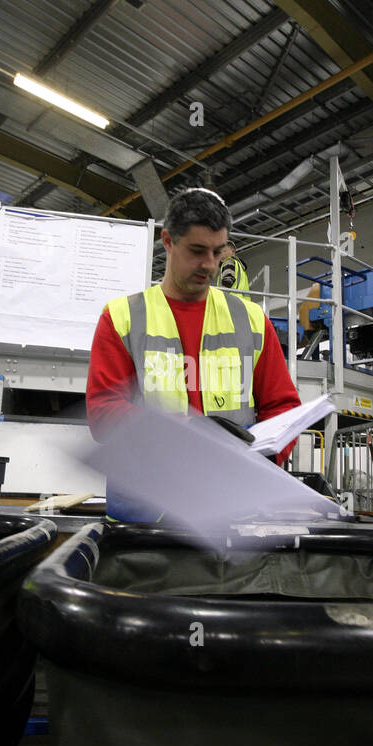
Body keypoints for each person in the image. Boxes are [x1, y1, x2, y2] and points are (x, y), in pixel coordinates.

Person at [86, 187, 301, 521]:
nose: (210, 265)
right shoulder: (122, 318)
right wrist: (182, 438)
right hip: (146, 516)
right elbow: (103, 413)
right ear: (168, 241)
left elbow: (283, 407)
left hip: (232, 508)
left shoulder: (252, 321)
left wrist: (262, 458)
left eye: (218, 252)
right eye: (198, 251)